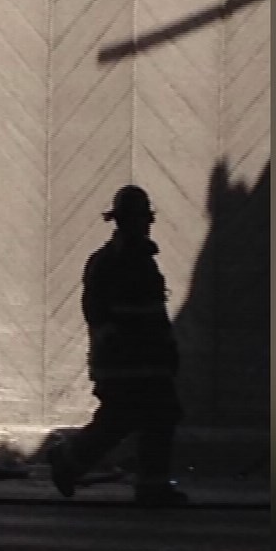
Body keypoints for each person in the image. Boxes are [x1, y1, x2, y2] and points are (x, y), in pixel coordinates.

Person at [51, 185, 189, 506]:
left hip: (147, 360)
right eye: (138, 218)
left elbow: (154, 314)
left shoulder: (141, 260)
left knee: (152, 417)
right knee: (123, 419)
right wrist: (122, 346)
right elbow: (97, 312)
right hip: (125, 362)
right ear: (122, 220)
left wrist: (166, 350)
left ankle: (147, 485)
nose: (144, 224)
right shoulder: (110, 262)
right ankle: (70, 462)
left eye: (145, 218)